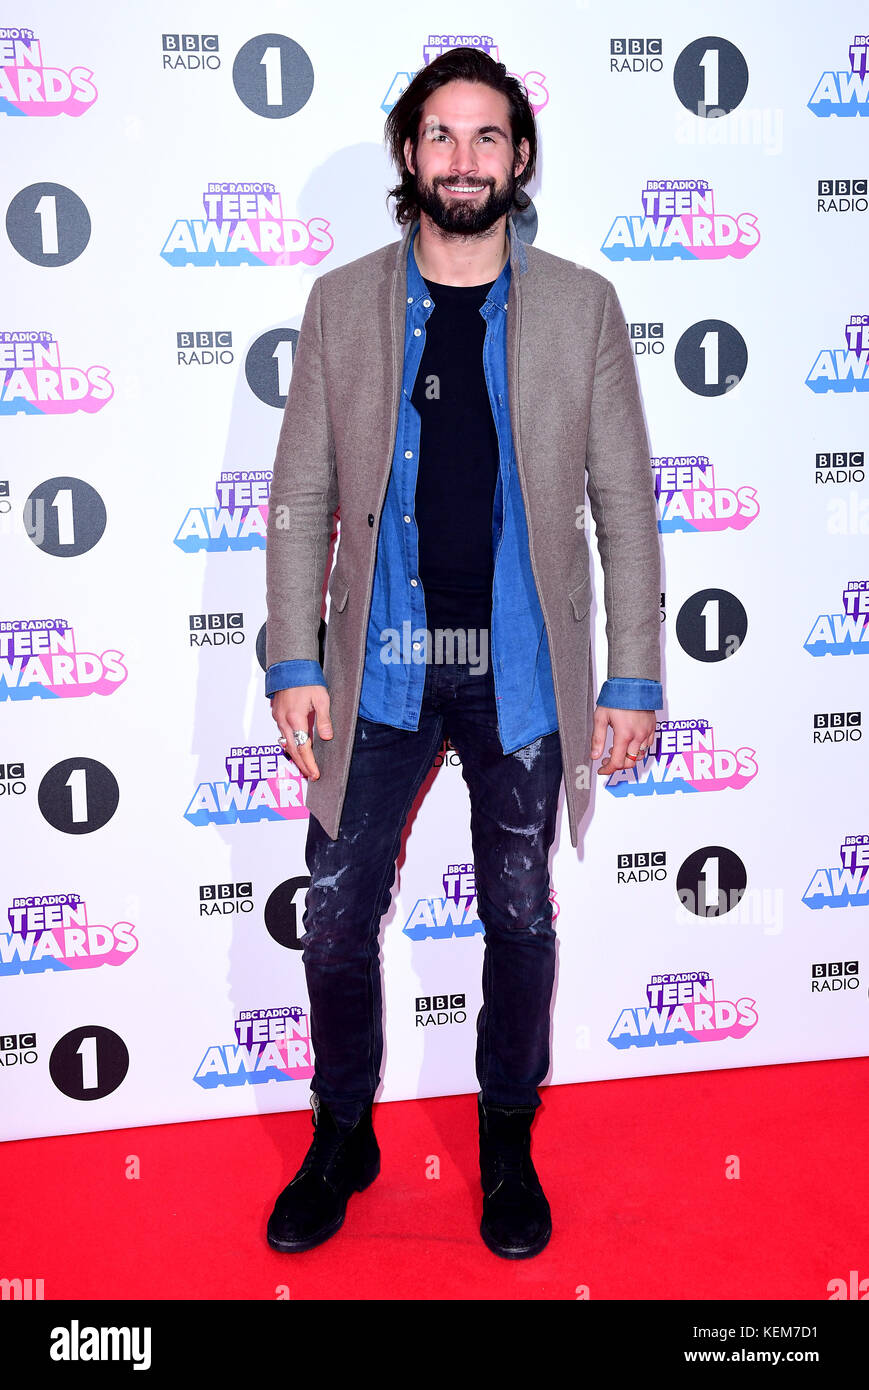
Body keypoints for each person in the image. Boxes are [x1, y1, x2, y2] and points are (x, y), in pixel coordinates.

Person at [263, 46, 663, 1259]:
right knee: (333, 915)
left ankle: (504, 1142)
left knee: (519, 917)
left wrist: (633, 672)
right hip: (378, 658)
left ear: (519, 158)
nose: (462, 160)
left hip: (520, 666)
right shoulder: (342, 303)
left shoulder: (581, 306)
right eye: (439, 135)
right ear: (407, 154)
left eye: (486, 137)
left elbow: (623, 503)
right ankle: (343, 1132)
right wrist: (292, 661)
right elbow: (299, 495)